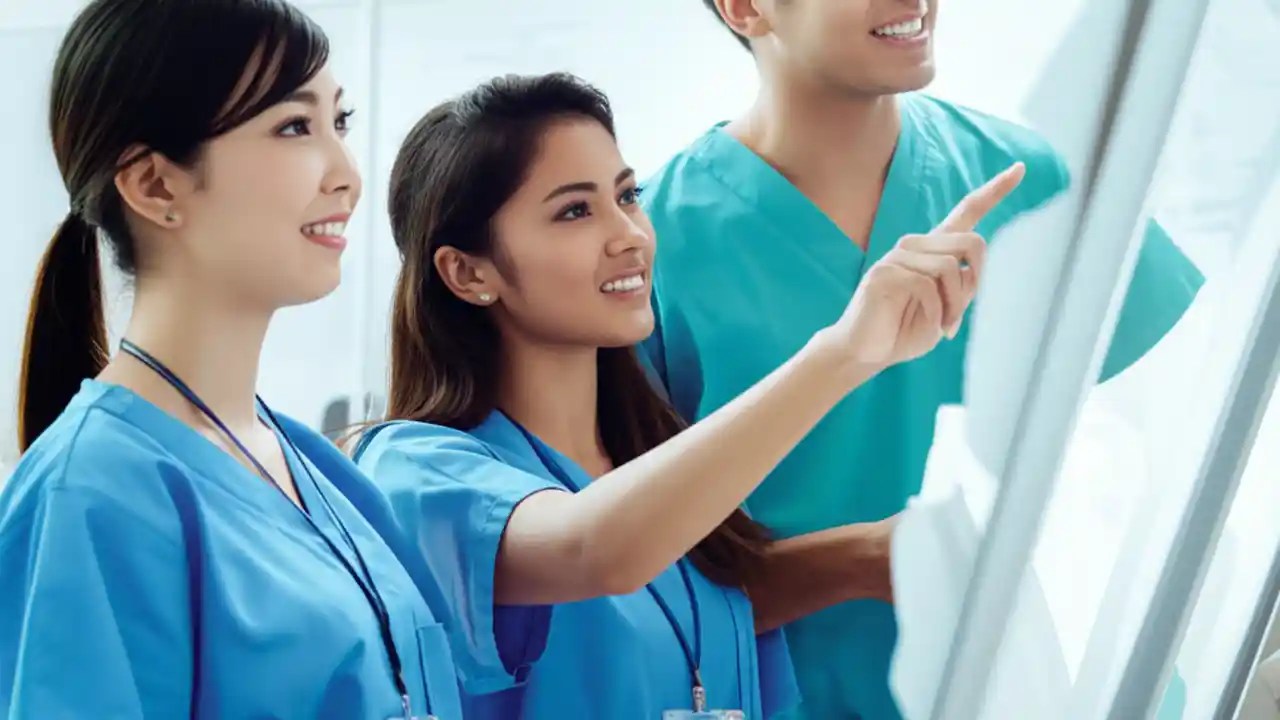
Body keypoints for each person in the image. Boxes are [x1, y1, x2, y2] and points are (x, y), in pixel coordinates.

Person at [352, 72, 1024, 719]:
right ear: (468, 273)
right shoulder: (416, 474)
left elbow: (697, 598)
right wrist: (846, 351)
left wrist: (873, 556)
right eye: (575, 211)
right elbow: (595, 552)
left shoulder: (654, 457)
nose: (630, 236)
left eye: (627, 196)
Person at [637, 1, 1206, 718]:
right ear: (746, 7)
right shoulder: (649, 257)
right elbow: (625, 592)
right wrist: (865, 560)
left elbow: (1184, 477)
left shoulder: (1033, 181)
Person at [0, 2, 462, 717]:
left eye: (339, 123)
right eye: (292, 127)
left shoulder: (314, 468)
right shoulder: (91, 493)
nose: (346, 174)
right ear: (155, 185)